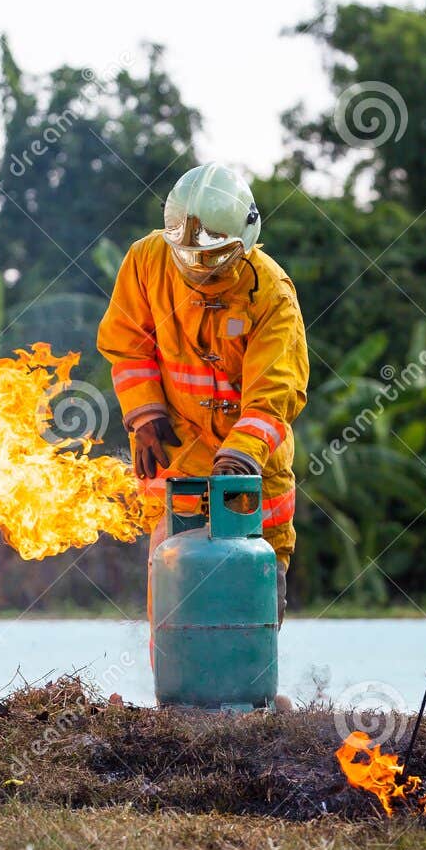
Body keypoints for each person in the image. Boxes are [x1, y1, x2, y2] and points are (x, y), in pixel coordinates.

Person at [98, 163, 308, 621]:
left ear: (245, 240)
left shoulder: (271, 295)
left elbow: (275, 392)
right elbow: (127, 343)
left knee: (252, 605)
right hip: (176, 464)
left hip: (253, 477)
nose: (199, 269)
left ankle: (250, 669)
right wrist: (144, 413)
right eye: (189, 256)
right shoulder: (147, 260)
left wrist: (241, 457)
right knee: (174, 601)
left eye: (213, 259)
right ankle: (175, 672)